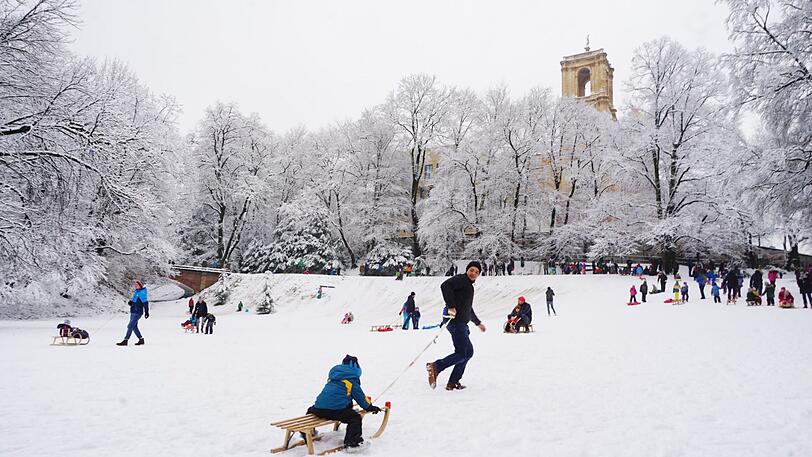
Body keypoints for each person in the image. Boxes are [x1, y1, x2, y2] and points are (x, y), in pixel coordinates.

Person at [426, 261, 486, 391]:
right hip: (456, 323)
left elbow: (468, 308)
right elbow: (445, 285)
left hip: (461, 324)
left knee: (468, 352)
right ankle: (436, 366)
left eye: (476, 272)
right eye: (471, 270)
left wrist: (477, 323)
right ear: (467, 270)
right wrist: (451, 306)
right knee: (462, 353)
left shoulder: (469, 287)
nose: (473, 273)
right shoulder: (461, 279)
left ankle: (453, 382)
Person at [306, 355, 382, 449]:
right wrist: (370, 407)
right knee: (355, 418)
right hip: (335, 411)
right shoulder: (351, 381)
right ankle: (352, 442)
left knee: (310, 410)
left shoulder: (333, 378)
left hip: (318, 409)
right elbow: (361, 398)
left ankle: (308, 433)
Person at [117, 280, 149, 346]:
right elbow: (135, 300)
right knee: (134, 326)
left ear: (140, 285)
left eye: (137, 284)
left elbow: (145, 303)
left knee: (130, 326)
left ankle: (125, 340)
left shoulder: (142, 293)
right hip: (133, 311)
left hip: (138, 312)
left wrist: (146, 312)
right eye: (135, 284)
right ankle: (141, 339)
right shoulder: (137, 292)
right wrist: (131, 302)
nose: (135, 285)